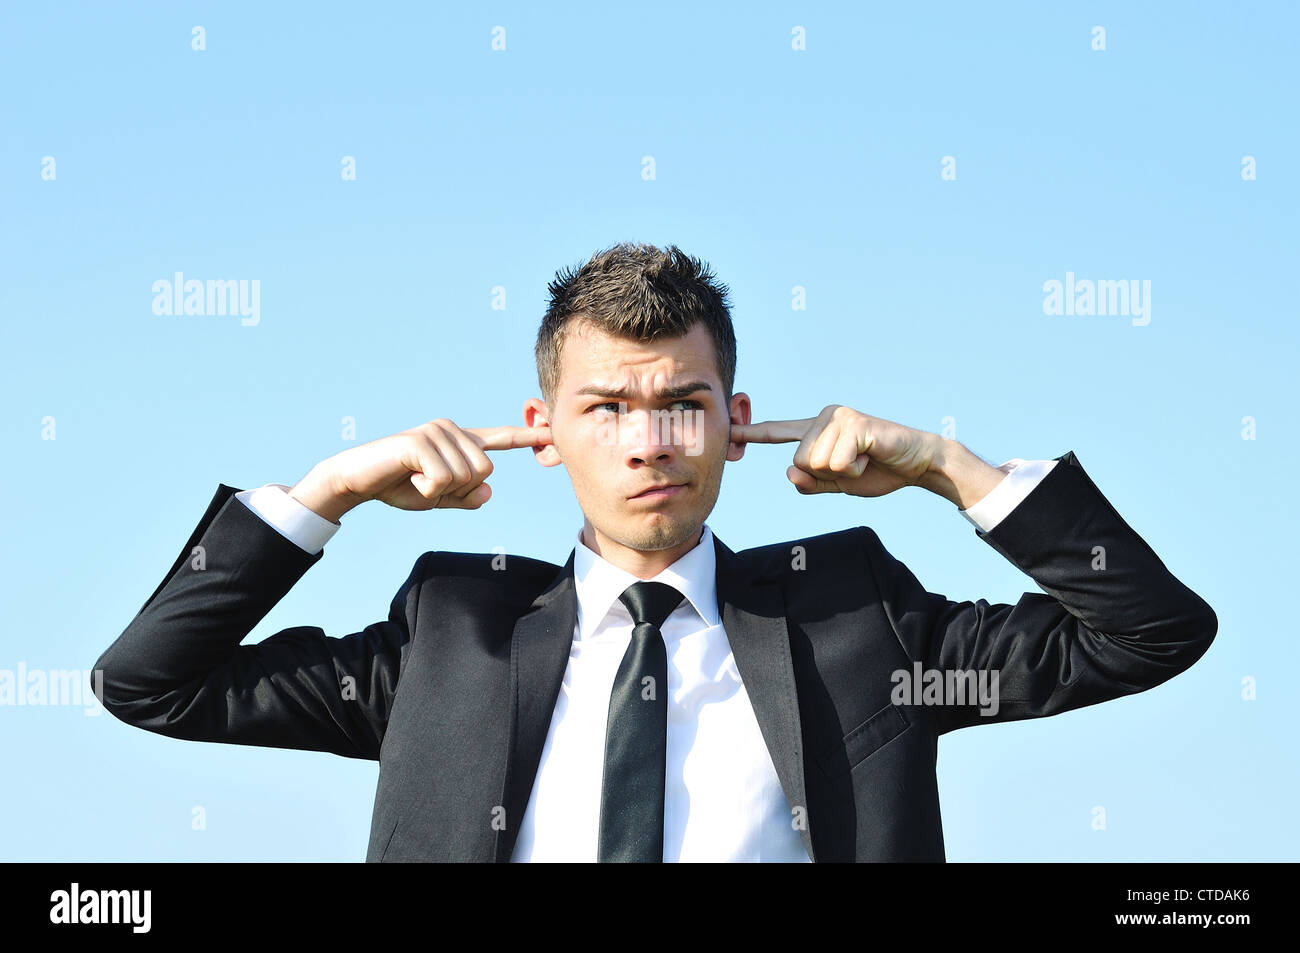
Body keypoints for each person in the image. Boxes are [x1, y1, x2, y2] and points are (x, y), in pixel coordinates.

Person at [93, 241, 1217, 862]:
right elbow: (148, 682)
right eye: (606, 409)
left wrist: (947, 468)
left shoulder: (856, 619)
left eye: (683, 403)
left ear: (737, 419)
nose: (650, 443)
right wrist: (325, 492)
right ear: (543, 431)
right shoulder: (451, 633)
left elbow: (1150, 631)